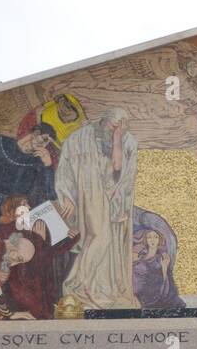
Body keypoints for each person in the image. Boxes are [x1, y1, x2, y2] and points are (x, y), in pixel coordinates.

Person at [55, 108, 140, 309]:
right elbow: (64, 168)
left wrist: (118, 139)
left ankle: (102, 289)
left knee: (110, 244)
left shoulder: (127, 141)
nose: (115, 131)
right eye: (113, 127)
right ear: (103, 121)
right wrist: (66, 195)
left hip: (113, 198)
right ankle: (76, 284)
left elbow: (122, 171)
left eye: (120, 127)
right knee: (100, 237)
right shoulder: (78, 139)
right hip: (88, 194)